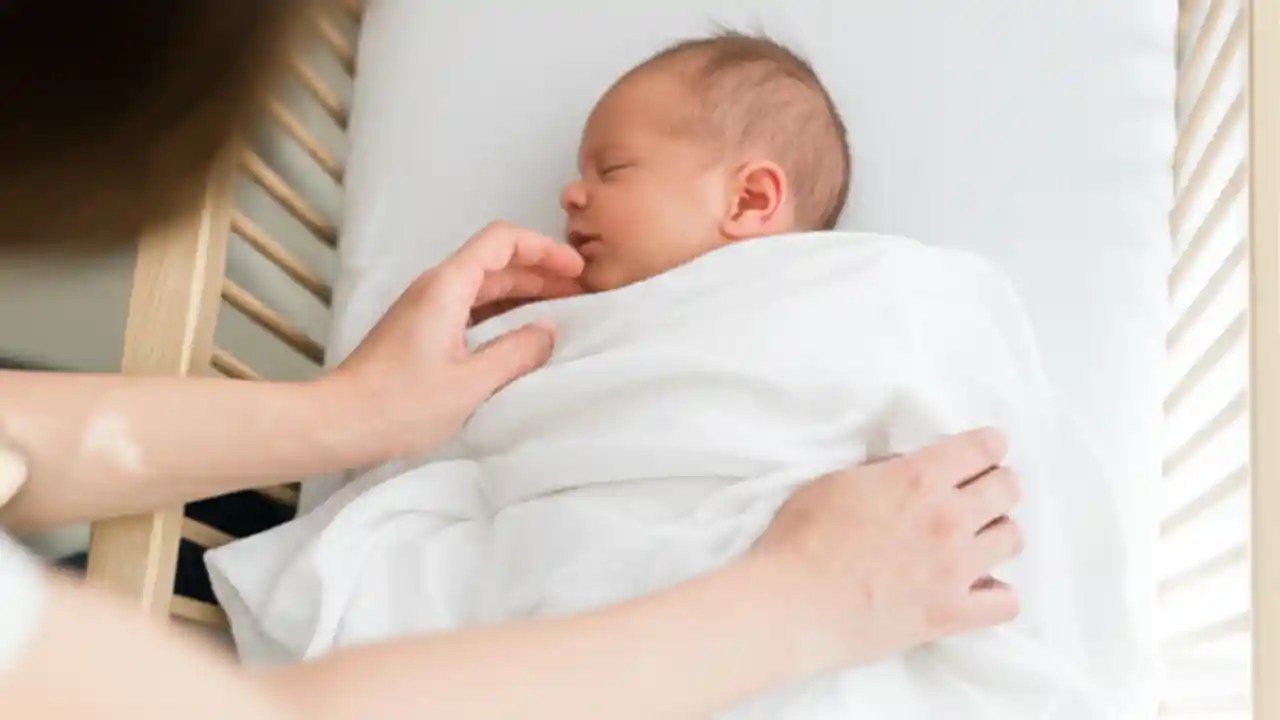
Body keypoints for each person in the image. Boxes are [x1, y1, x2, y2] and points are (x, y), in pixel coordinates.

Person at [0, 2, 1024, 718]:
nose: (571, 198)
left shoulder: (842, 295)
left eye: (609, 170)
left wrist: (354, 411)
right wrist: (796, 598)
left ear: (751, 201)